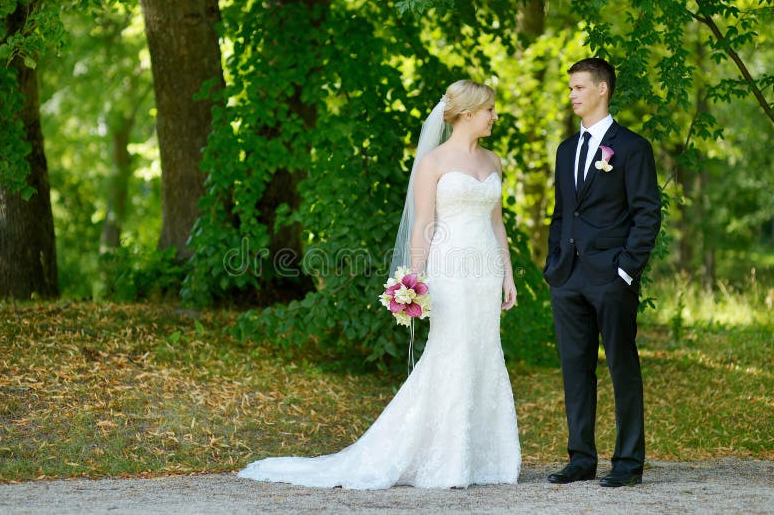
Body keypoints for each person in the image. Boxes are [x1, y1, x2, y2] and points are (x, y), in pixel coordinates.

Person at [237, 79, 521, 489]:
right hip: (450, 272)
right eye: (490, 109)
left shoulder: (494, 162)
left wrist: (508, 274)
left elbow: (497, 224)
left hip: (484, 272)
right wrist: (415, 279)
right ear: (467, 114)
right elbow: (422, 224)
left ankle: (484, 459)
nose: (495, 116)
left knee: (484, 353)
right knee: (451, 354)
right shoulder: (434, 163)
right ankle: (444, 458)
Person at [543, 58, 661, 487]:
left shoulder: (632, 147)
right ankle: (581, 458)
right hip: (568, 277)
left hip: (612, 278)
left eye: (578, 87)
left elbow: (647, 215)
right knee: (575, 368)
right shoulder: (565, 149)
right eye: (570, 88)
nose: (572, 94)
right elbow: (562, 213)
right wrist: (553, 265)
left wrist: (626, 272)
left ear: (602, 90)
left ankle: (628, 463)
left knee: (622, 368)